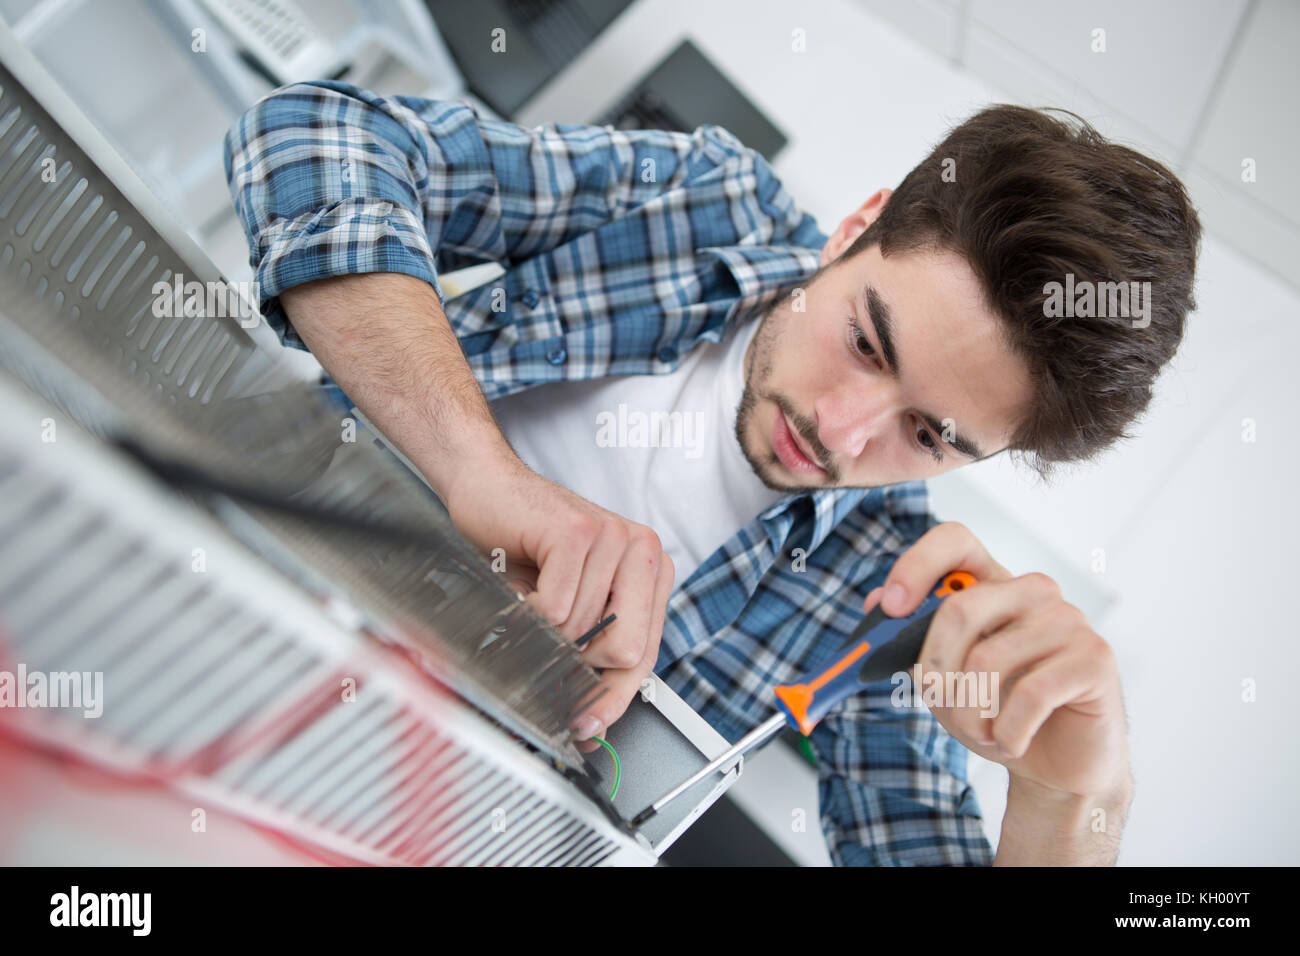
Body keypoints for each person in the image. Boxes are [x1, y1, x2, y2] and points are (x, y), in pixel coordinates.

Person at [222, 81, 1201, 865]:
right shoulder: (697, 202)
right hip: (222, 575)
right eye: (865, 340)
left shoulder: (890, 597)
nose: (837, 433)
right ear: (856, 224)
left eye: (929, 435)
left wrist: (1076, 804)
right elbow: (310, 135)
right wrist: (476, 466)